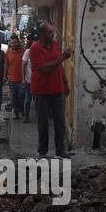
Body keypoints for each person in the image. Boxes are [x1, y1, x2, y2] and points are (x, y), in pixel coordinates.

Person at [29, 21, 74, 158]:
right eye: (49, 32)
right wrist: (63, 57)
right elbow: (45, 68)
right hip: (41, 91)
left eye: (52, 32)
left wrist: (65, 82)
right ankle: (42, 151)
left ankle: (60, 151)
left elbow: (59, 67)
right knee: (43, 123)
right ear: (42, 34)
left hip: (57, 89)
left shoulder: (55, 44)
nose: (52, 34)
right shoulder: (35, 48)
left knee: (60, 122)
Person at [5, 34, 25, 125]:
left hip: (22, 79)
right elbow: (6, 64)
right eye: (11, 43)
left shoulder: (24, 51)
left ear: (18, 41)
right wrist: (4, 75)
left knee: (21, 96)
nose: (13, 44)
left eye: (15, 42)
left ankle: (21, 110)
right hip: (12, 79)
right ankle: (16, 112)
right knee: (14, 97)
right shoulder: (8, 52)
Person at [21, 41, 33, 122]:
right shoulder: (28, 52)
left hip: (38, 82)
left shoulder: (41, 51)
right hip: (28, 81)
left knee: (39, 100)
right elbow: (23, 65)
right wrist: (23, 79)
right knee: (27, 100)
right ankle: (26, 116)